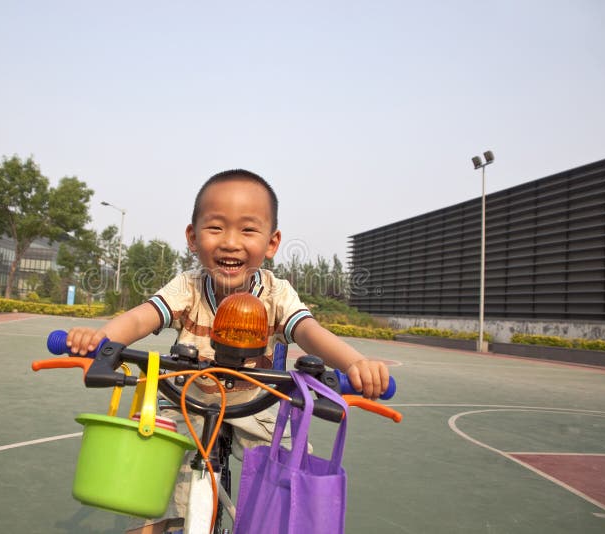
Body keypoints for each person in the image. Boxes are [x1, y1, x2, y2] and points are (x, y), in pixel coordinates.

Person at [67, 169, 390, 532]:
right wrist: (102, 341)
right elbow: (141, 318)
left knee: (289, 479)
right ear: (192, 237)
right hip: (188, 398)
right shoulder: (186, 287)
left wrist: (356, 363)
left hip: (260, 404)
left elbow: (309, 332)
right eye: (216, 227)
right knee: (152, 471)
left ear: (271, 242)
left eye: (248, 230)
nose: (230, 242)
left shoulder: (276, 293)